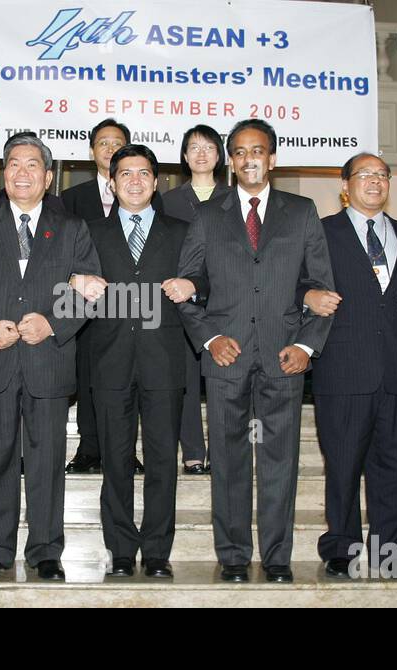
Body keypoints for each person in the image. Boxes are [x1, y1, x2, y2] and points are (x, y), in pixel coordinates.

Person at [174, 118, 335, 583]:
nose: (249, 159)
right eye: (240, 151)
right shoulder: (208, 214)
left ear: (273, 158)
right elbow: (190, 287)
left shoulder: (302, 211)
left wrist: (307, 343)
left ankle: (279, 556)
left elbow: (320, 287)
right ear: (231, 160)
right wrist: (208, 338)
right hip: (226, 358)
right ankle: (233, 557)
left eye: (258, 150)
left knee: (280, 460)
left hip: (284, 358)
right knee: (228, 460)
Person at [0, 133, 102, 581]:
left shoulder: (72, 228)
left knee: (48, 460)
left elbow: (91, 290)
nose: (22, 172)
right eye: (14, 164)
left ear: (48, 177)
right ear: (4, 172)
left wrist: (52, 322)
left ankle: (46, 552)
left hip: (47, 361)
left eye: (33, 165)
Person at [304, 153, 397, 579]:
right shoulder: (321, 232)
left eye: (382, 175)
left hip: (396, 369)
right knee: (342, 464)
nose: (374, 182)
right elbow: (292, 281)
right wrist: (307, 298)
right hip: (342, 368)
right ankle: (341, 546)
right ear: (346, 184)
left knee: (394, 467)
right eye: (365, 174)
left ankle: (390, 552)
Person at [89, 144, 197, 578]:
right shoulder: (90, 231)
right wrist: (74, 279)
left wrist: (193, 284)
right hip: (109, 360)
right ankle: (119, 550)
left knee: (161, 460)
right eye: (126, 173)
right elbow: (63, 277)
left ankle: (156, 552)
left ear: (156, 182)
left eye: (143, 173)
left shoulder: (182, 230)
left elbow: (204, 274)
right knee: (115, 460)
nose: (135, 180)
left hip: (165, 360)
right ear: (111, 182)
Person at [64, 118, 135, 475]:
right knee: (88, 376)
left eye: (117, 142)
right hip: (83, 306)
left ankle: (124, 449)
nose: (109, 148)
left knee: (128, 378)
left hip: (131, 304)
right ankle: (88, 448)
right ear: (91, 151)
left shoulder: (142, 192)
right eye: (103, 143)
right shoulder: (70, 199)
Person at [161, 124, 229, 476]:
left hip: (227, 302)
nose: (201, 153)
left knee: (222, 382)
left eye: (209, 147)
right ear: (184, 157)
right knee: (186, 380)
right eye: (193, 147)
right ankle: (192, 451)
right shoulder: (168, 201)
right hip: (181, 304)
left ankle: (222, 451)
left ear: (219, 155)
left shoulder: (235, 198)